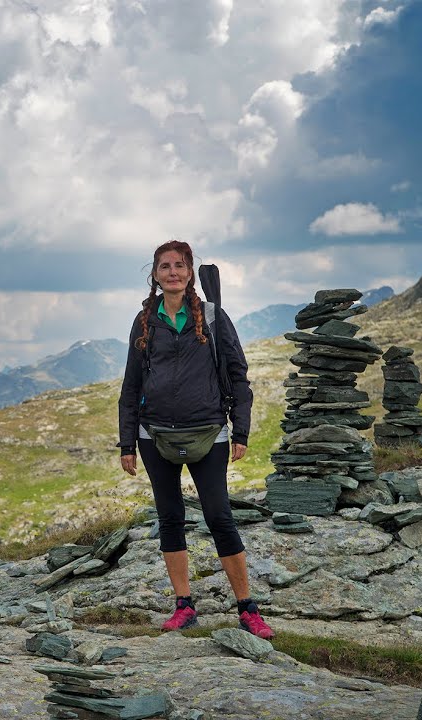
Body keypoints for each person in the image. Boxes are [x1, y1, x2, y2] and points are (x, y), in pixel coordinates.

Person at [116, 240, 274, 639]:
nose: (173, 272)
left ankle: (247, 608)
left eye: (180, 265)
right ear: (155, 274)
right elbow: (132, 383)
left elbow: (238, 375)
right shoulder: (144, 322)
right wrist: (126, 442)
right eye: (165, 266)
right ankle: (184, 606)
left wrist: (240, 430)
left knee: (219, 516)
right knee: (170, 518)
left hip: (209, 430)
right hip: (154, 434)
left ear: (190, 272)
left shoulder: (215, 317)